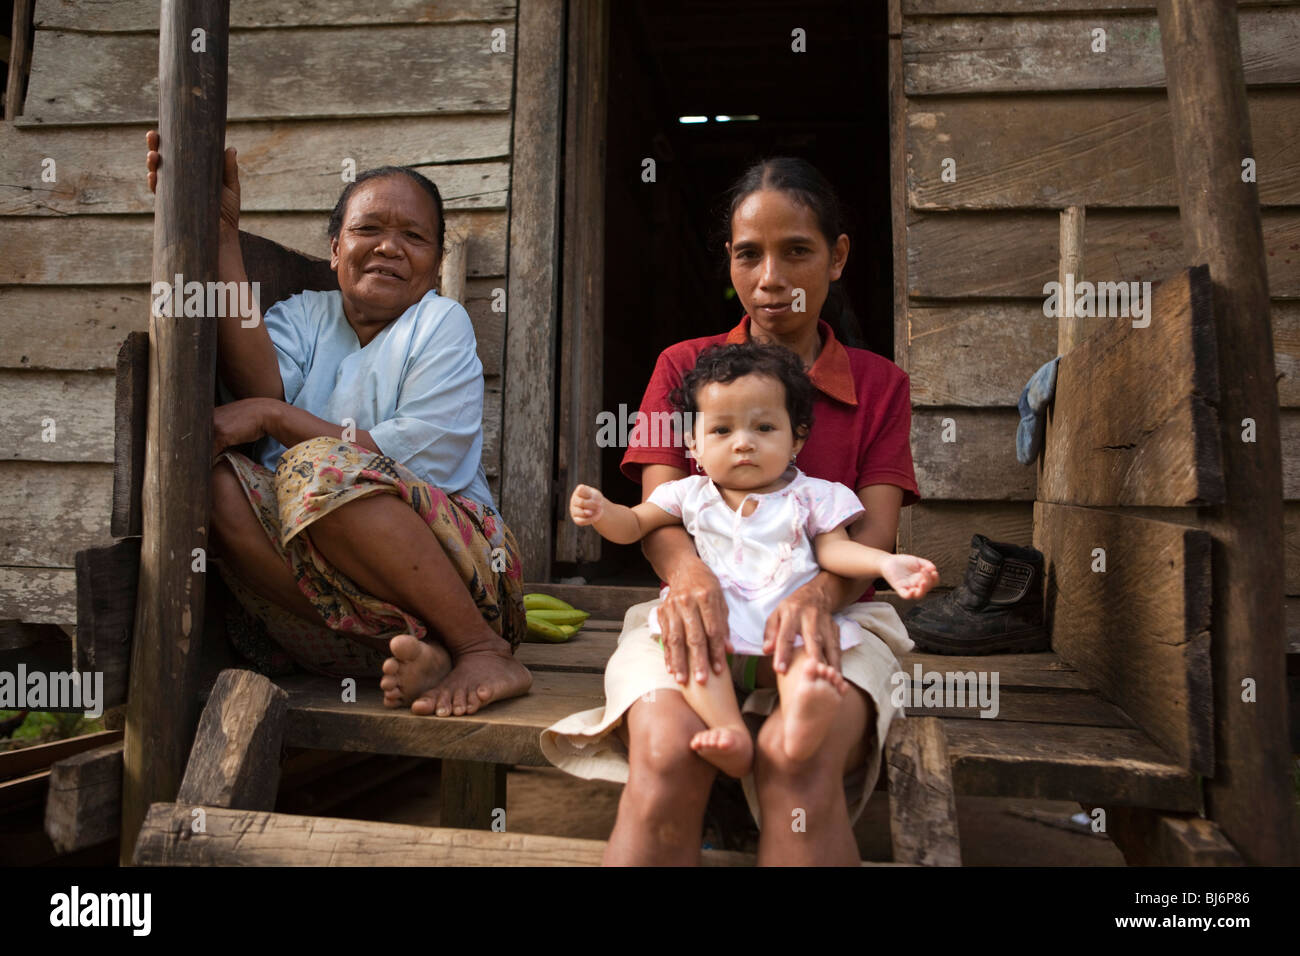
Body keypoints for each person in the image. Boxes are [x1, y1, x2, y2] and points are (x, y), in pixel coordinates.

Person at [541, 157, 922, 865]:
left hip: (836, 614)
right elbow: (659, 513)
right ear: (729, 261)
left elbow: (874, 532)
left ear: (837, 258)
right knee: (666, 755)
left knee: (796, 766)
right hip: (696, 609)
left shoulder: (881, 385)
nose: (770, 277)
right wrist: (690, 579)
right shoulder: (680, 368)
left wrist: (816, 594)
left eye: (797, 251)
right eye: (749, 254)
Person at [144, 131, 532, 717]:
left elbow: (414, 460)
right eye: (368, 229)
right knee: (219, 482)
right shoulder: (304, 314)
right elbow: (261, 387)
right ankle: (413, 651)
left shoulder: (440, 321)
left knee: (313, 465)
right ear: (334, 249)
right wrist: (222, 232)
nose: (389, 248)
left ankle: (482, 648)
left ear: (435, 264)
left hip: (468, 576)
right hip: (332, 597)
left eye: (414, 236)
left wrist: (274, 418)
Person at [569, 343, 937, 779]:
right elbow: (634, 525)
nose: (743, 443)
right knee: (693, 656)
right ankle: (730, 732)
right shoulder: (687, 495)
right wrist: (602, 512)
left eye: (763, 427)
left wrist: (884, 564)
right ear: (693, 443)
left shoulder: (813, 495)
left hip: (788, 626)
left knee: (810, 663)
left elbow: (834, 550)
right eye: (722, 431)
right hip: (715, 624)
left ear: (797, 437)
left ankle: (803, 714)